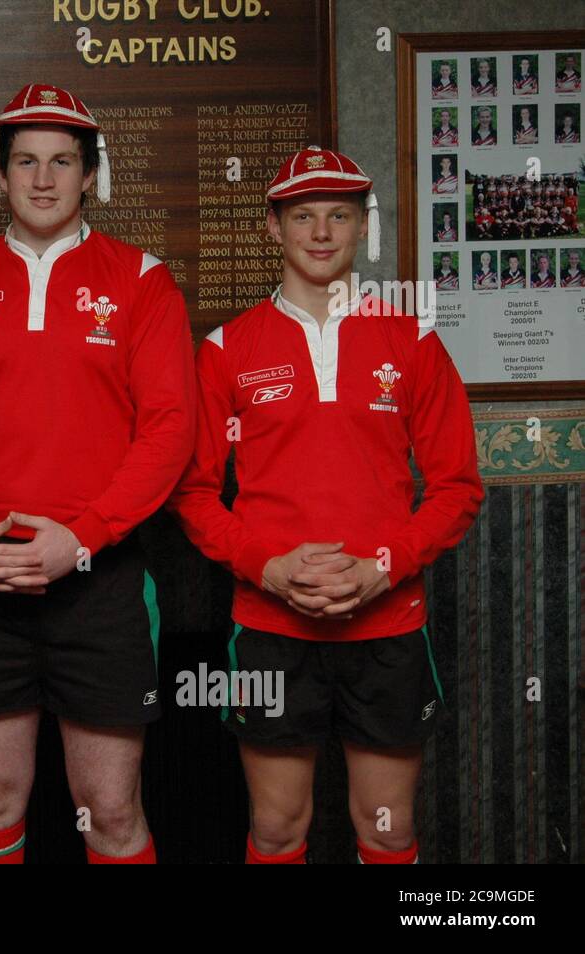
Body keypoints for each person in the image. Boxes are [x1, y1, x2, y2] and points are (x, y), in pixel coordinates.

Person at [0, 83, 195, 865]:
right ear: (0, 176)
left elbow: (170, 432)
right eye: (25, 161)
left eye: (62, 161)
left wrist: (85, 537)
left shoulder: (141, 280)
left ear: (89, 174)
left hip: (100, 582)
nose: (42, 178)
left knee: (109, 807)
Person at [169, 145, 483, 865]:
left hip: (387, 626)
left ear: (360, 228)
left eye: (338, 215)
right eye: (301, 215)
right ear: (271, 228)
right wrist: (266, 567)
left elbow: (459, 486)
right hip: (269, 628)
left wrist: (386, 565)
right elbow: (190, 492)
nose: (320, 232)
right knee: (279, 829)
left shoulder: (413, 338)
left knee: (387, 831)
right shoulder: (225, 349)